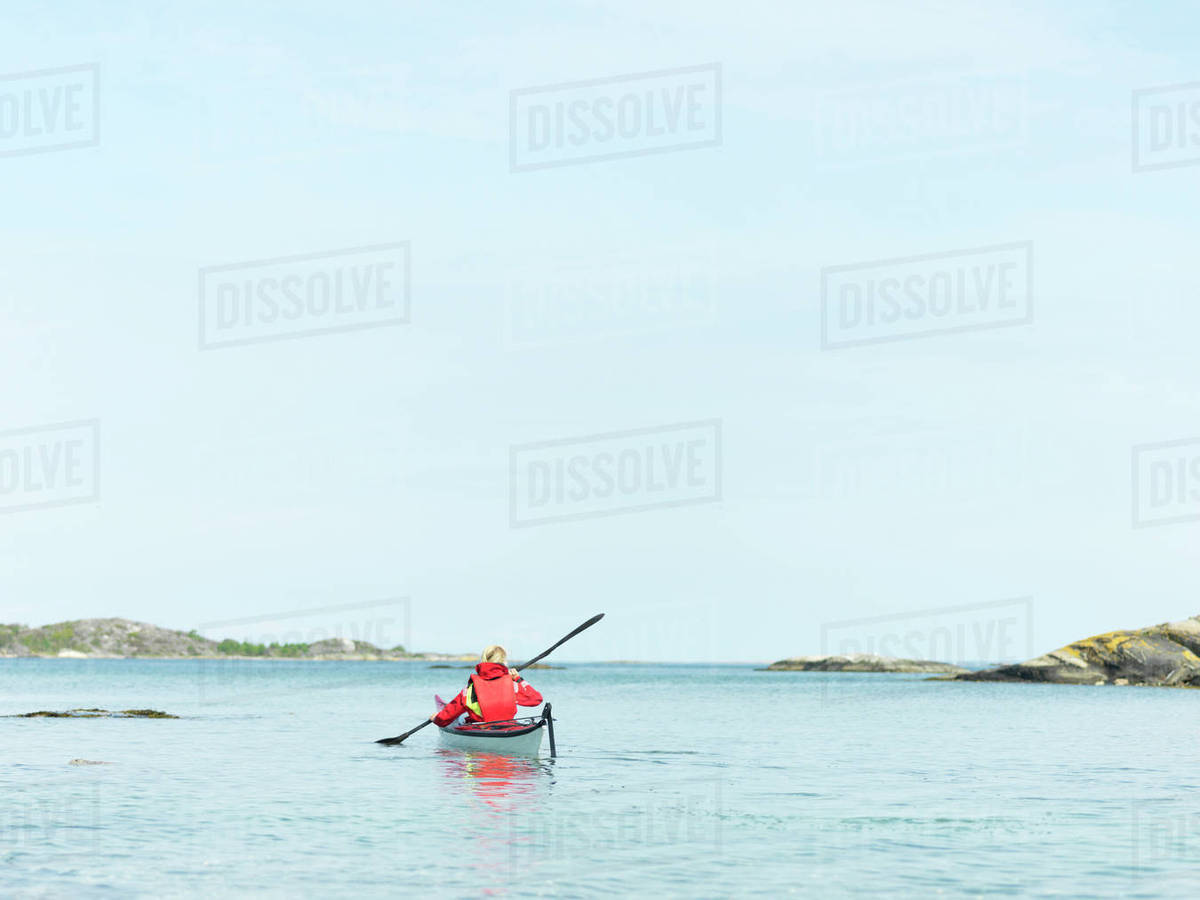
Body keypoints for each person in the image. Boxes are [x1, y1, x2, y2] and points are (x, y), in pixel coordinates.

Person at [431, 644, 543, 727]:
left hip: (481, 729)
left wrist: (436, 719)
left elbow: (444, 719)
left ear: (484, 660)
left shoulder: (470, 689)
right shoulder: (513, 685)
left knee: (462, 717)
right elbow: (536, 699)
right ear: (504, 662)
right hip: (507, 728)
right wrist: (518, 679)